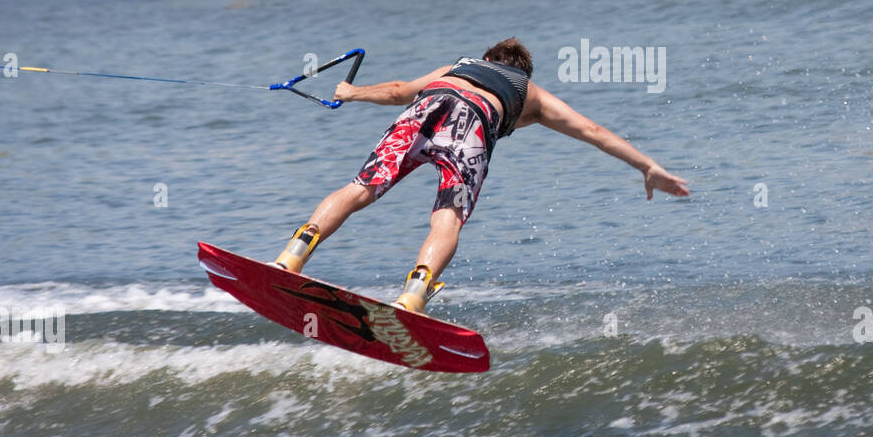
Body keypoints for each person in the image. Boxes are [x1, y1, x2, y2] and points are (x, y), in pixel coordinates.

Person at [272, 38, 690, 313]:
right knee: (447, 218)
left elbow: (400, 89)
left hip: (428, 106)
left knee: (362, 189)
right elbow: (593, 132)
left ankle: (293, 256)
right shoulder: (534, 96)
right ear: (523, 74)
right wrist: (648, 166)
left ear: (488, 60)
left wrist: (353, 93)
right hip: (472, 126)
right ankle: (414, 295)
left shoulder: (459, 65)